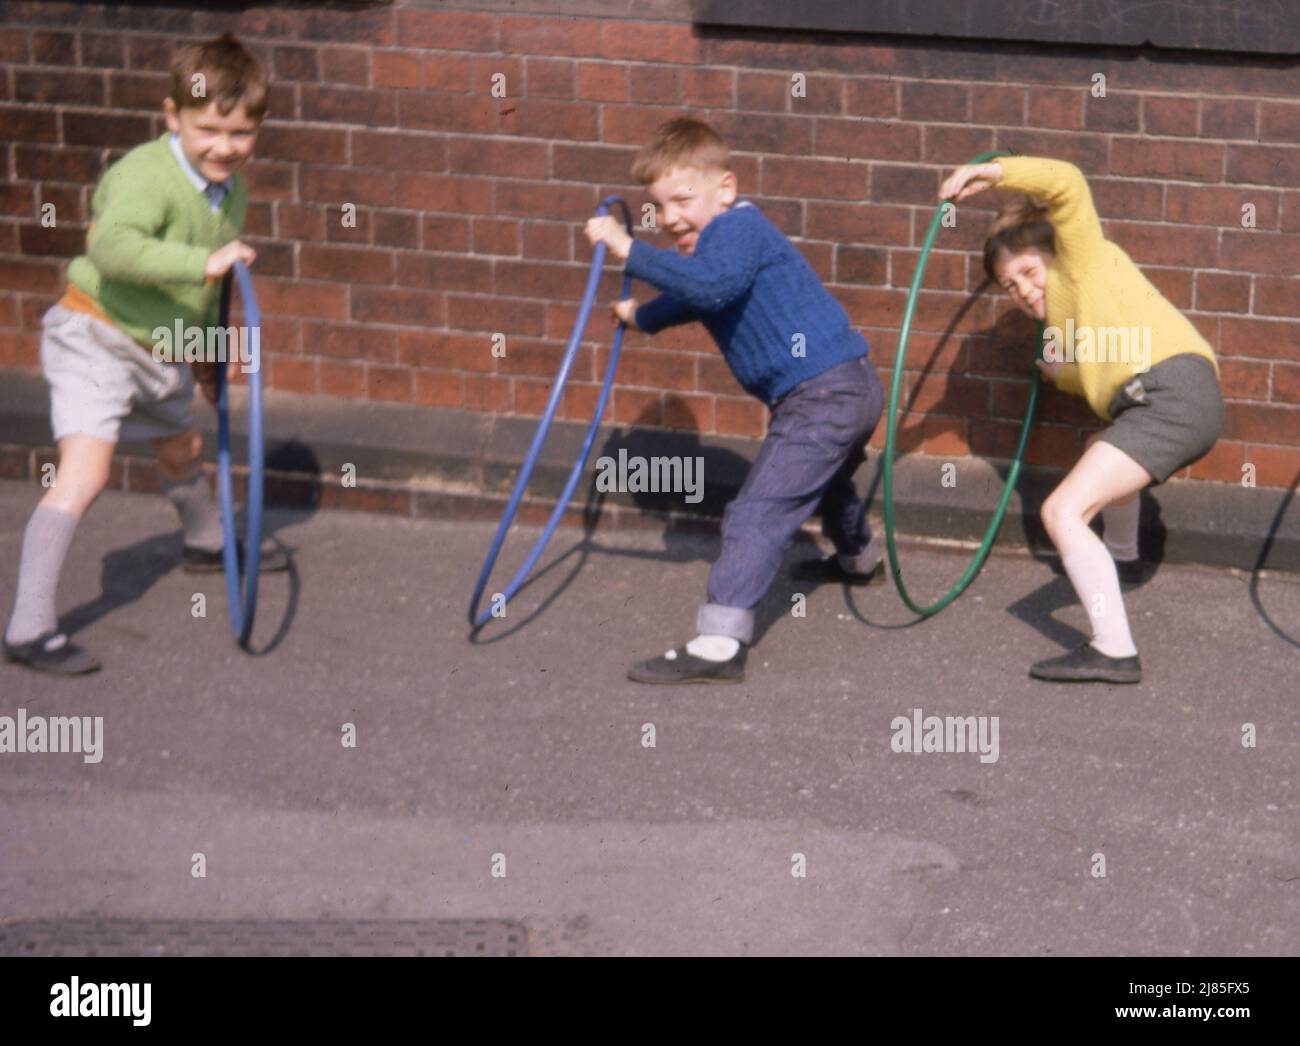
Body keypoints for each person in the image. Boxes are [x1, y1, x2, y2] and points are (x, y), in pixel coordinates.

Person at [4, 33, 287, 676]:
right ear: (172, 116)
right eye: (208, 129)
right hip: (96, 334)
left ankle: (206, 544)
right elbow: (113, 250)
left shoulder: (228, 189)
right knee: (87, 471)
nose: (224, 147)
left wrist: (210, 360)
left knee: (182, 450)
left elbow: (209, 289)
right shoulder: (141, 175)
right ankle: (29, 626)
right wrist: (202, 259)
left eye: (240, 134)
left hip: (163, 347)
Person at [585, 117, 886, 684]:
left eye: (682, 200)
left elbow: (709, 288)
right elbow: (696, 297)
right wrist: (640, 317)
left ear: (725, 189)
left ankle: (720, 644)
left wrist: (627, 247)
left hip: (822, 394)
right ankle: (858, 557)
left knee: (756, 512)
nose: (670, 218)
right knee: (828, 476)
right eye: (660, 207)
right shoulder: (722, 247)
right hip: (849, 386)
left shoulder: (736, 232)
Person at [939, 156, 1224, 684]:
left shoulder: (1082, 258)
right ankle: (1124, 557)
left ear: (1055, 251)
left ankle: (1114, 649)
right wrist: (1060, 372)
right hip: (1171, 397)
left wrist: (995, 173)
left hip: (1171, 393)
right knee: (1104, 447)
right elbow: (1095, 370)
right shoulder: (1068, 318)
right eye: (1008, 286)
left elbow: (1068, 182)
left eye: (1027, 271)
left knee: (1062, 511)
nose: (1022, 290)